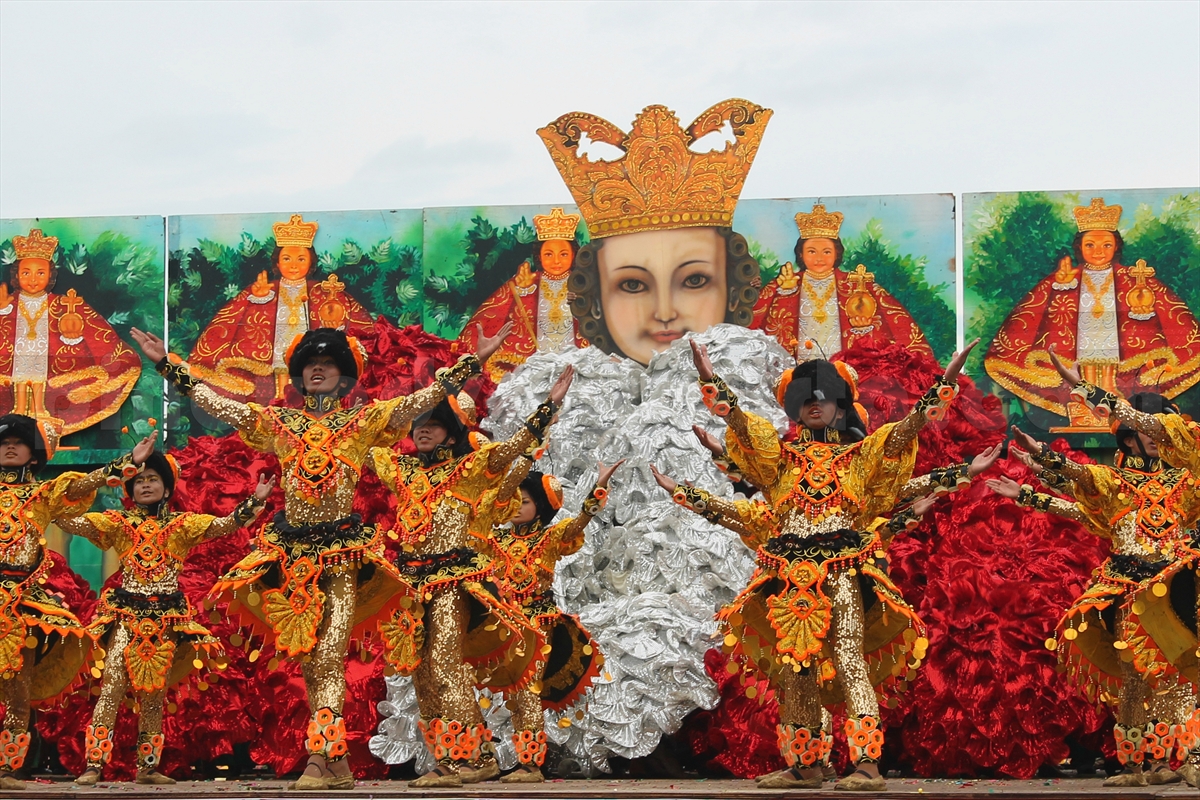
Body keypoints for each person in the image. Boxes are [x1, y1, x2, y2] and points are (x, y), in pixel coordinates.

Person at [129, 321, 510, 790]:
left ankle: (320, 756)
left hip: (344, 558)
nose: (318, 370)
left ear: (344, 375)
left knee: (329, 653)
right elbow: (222, 406)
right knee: (311, 658)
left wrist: (475, 361)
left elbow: (422, 399)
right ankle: (339, 766)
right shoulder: (280, 424)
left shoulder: (361, 421)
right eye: (311, 364)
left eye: (327, 364)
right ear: (299, 374)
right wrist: (168, 366)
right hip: (294, 557)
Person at [682, 338, 975, 790]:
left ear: (841, 407)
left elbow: (904, 431)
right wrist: (710, 378)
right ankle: (806, 765)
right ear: (795, 410)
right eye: (805, 400)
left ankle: (868, 765)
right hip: (788, 576)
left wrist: (945, 382)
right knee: (795, 667)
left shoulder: (859, 457)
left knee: (849, 658)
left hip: (841, 571)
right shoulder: (781, 462)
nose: (814, 405)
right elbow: (742, 426)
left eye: (823, 398)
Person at [370, 368, 574, 787]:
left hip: (454, 582)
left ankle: (465, 760)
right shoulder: (403, 471)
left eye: (434, 423)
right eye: (419, 423)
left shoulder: (471, 468)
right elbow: (366, 442)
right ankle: (463, 757)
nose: (423, 430)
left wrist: (548, 407)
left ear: (451, 433)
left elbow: (515, 448)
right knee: (423, 673)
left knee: (446, 663)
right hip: (412, 586)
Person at [988, 410, 1197, 788]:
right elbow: (1084, 502)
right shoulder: (1114, 482)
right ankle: (1134, 767)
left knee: (1173, 670)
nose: (1156, 437)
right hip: (1126, 588)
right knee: (1134, 677)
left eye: (1161, 431)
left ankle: (1178, 757)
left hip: (1170, 589)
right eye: (1147, 431)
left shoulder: (1185, 483)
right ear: (1129, 439)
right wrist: (1034, 486)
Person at [60, 433, 273, 786]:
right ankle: (94, 765)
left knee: (155, 693)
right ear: (130, 490)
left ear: (167, 488)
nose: (145, 485)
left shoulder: (182, 525)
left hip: (166, 618)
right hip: (125, 616)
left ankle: (147, 767)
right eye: (139, 480)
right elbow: (69, 520)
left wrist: (256, 501)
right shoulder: (118, 523)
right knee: (112, 685)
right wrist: (62, 497)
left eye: (153, 479)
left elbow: (226, 525)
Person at [538, 100, 770, 366]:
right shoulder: (574, 390)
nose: (665, 313)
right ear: (596, 301)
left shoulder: (751, 387)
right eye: (632, 285)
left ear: (732, 294)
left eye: (694, 280)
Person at [983, 198, 1200, 431]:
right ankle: (1086, 403)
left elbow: (1160, 306)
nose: (1098, 252)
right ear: (1080, 248)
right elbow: (1036, 310)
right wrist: (1061, 287)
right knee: (1084, 362)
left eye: (1106, 245)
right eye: (1090, 245)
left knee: (1109, 362)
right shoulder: (1067, 277)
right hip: (1082, 332)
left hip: (1113, 331)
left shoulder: (1131, 276)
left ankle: (1111, 398)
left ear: (1116, 247)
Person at [472, 456, 619, 783]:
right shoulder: (496, 540)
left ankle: (529, 765)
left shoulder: (550, 538)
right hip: (503, 625)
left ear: (540, 506)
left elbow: (579, 523)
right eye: (512, 500)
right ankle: (479, 757)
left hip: (538, 625)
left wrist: (599, 487)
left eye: (524, 501)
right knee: (502, 693)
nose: (516, 506)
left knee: (526, 690)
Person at [0, 414, 126, 791]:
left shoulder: (42, 495)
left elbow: (80, 485)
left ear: (34, 454)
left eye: (19, 443)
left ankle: (7, 770)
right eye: (4, 442)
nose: (10, 447)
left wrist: (122, 464)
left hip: (23, 603)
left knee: (18, 689)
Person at [187, 214, 374, 403]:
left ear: (311, 262)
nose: (293, 265)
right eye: (286, 258)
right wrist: (259, 299)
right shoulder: (266, 289)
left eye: (301, 259)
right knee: (280, 366)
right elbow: (239, 318)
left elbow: (344, 316)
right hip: (277, 344)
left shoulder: (322, 290)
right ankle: (280, 396)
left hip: (306, 344)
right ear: (277, 262)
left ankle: (304, 397)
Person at [752, 204, 934, 362]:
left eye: (826, 252)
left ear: (837, 253)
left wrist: (864, 327)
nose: (819, 258)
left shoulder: (856, 283)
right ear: (801, 253)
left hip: (842, 366)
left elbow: (888, 325)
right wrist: (785, 294)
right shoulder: (786, 282)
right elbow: (764, 323)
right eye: (812, 251)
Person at [0, 229, 141, 433]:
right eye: (26, 273)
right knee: (20, 378)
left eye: (40, 273)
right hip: (19, 355)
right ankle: (19, 408)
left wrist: (72, 332)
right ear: (16, 275)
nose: (33, 279)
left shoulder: (64, 304)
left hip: (44, 356)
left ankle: (40, 409)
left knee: (38, 379)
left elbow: (95, 333)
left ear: (51, 275)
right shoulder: (8, 303)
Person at [456, 208, 587, 382]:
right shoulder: (527, 281)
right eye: (548, 254)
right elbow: (498, 312)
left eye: (563, 254)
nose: (556, 261)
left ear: (574, 255)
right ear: (539, 256)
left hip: (575, 359)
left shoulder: (583, 284)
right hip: (535, 363)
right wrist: (523, 291)